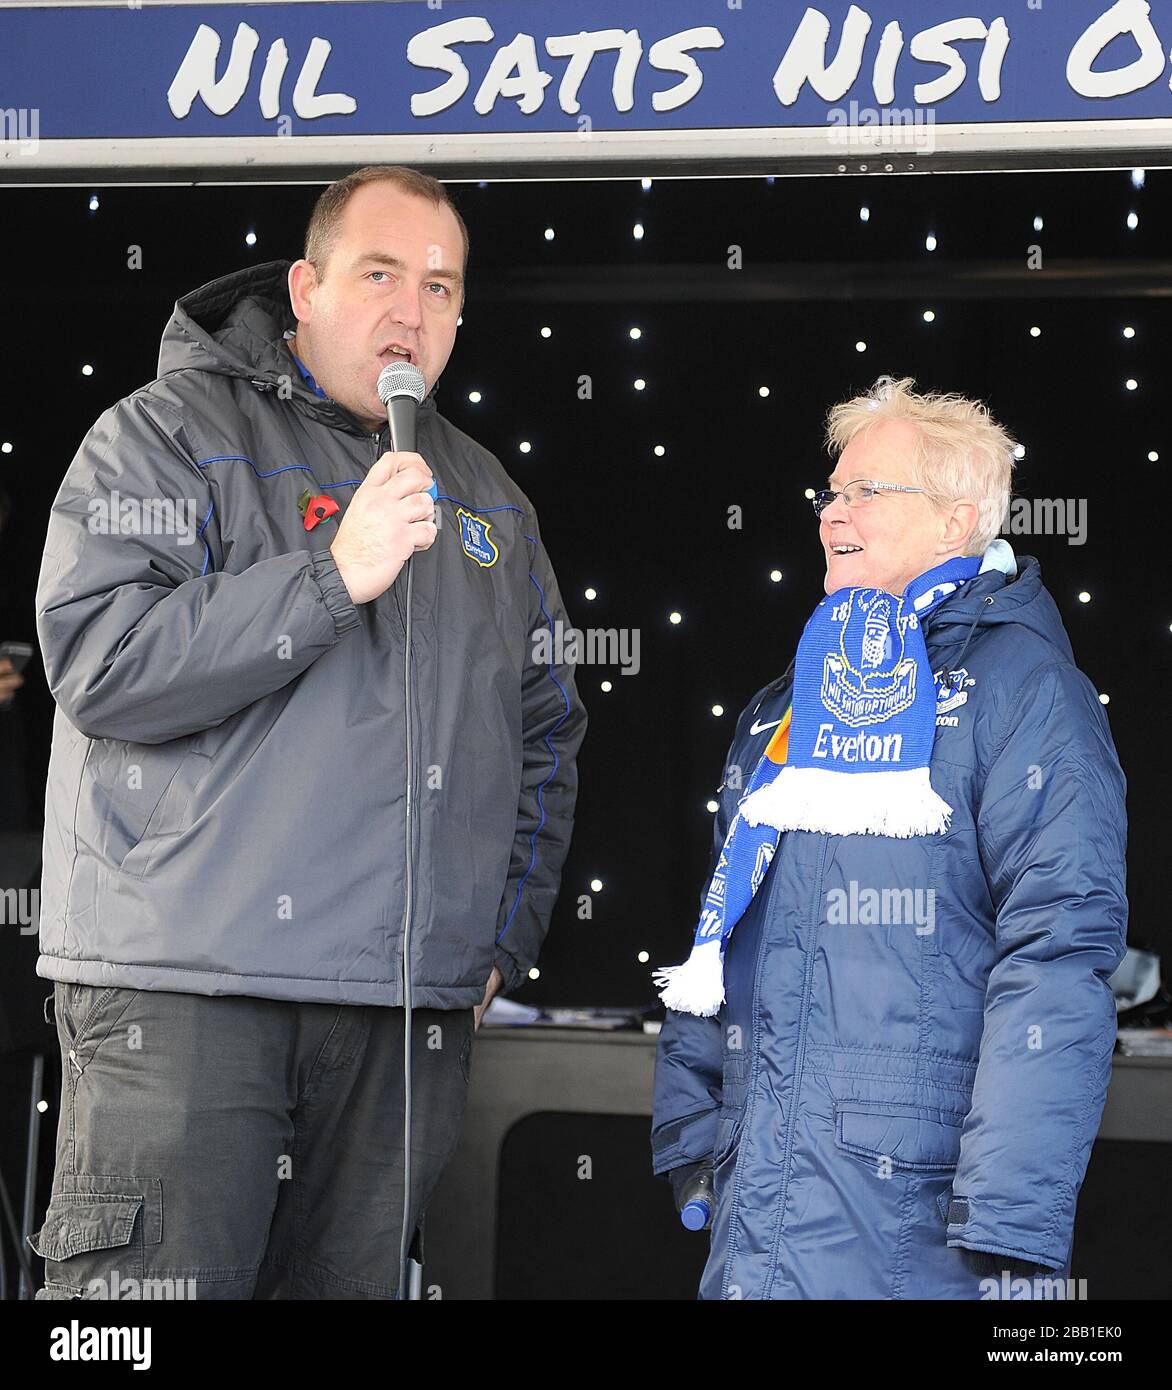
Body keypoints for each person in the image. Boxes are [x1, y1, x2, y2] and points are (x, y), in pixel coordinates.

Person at [31, 165, 586, 1299]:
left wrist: (499, 941)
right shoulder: (162, 434)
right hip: (189, 989)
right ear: (305, 286)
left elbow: (544, 728)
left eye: (439, 287)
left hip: (399, 1009)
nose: (410, 311)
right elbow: (102, 659)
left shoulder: (486, 498)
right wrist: (330, 577)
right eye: (379, 273)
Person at [651, 376, 1127, 1300]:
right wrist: (690, 1134)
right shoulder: (787, 705)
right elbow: (723, 927)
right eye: (832, 493)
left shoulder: (1028, 694)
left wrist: (1009, 1226)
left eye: (866, 492)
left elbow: (1059, 953)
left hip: (921, 1223)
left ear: (956, 522)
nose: (834, 514)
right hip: (760, 1200)